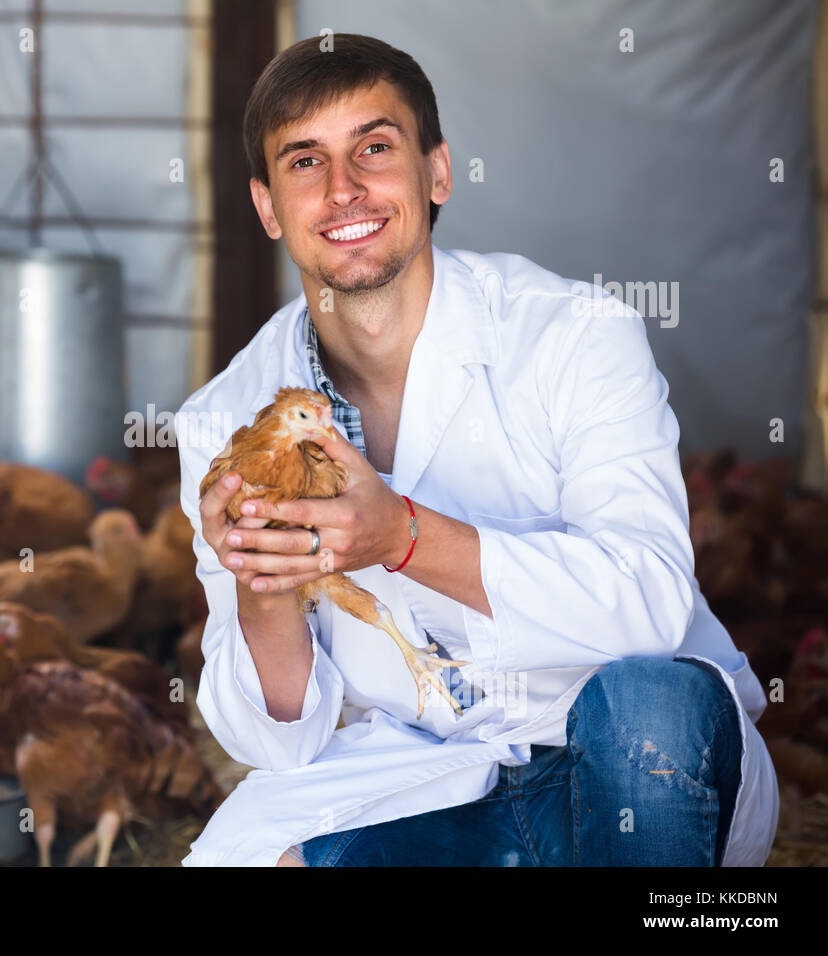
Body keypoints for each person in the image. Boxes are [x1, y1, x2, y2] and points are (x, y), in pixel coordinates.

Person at [177, 33, 778, 866]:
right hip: (426, 775)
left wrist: (406, 538)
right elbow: (275, 742)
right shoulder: (225, 424)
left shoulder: (575, 336)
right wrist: (263, 586)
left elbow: (651, 603)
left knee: (650, 701)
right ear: (268, 206)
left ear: (437, 173)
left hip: (628, 763)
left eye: (375, 148)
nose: (344, 189)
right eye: (305, 162)